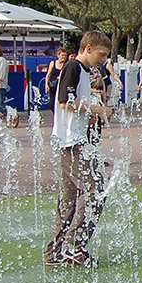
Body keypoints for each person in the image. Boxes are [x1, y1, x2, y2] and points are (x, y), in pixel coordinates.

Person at [44, 31, 114, 268]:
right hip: (71, 143)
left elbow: (72, 106)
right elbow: (65, 102)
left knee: (69, 199)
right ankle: (74, 246)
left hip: (72, 140)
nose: (102, 60)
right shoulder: (74, 66)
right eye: (101, 54)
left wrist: (89, 119)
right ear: (88, 48)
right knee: (95, 191)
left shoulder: (82, 71)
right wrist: (97, 110)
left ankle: (54, 252)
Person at [44, 47, 69, 113]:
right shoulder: (53, 63)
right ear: (58, 55)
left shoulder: (67, 64)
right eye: (62, 55)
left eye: (65, 56)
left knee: (61, 103)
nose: (64, 57)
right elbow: (48, 74)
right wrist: (46, 84)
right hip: (54, 86)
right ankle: (55, 116)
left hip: (62, 86)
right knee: (52, 105)